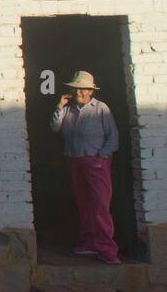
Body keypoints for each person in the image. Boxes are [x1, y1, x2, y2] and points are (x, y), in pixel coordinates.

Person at [50, 71, 121, 264]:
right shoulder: (68, 109)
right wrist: (59, 106)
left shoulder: (100, 108)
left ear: (91, 91)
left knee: (100, 205)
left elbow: (112, 136)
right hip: (74, 159)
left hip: (95, 161)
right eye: (76, 88)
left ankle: (107, 250)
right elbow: (55, 127)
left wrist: (101, 156)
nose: (79, 92)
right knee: (84, 204)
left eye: (83, 89)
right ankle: (88, 243)